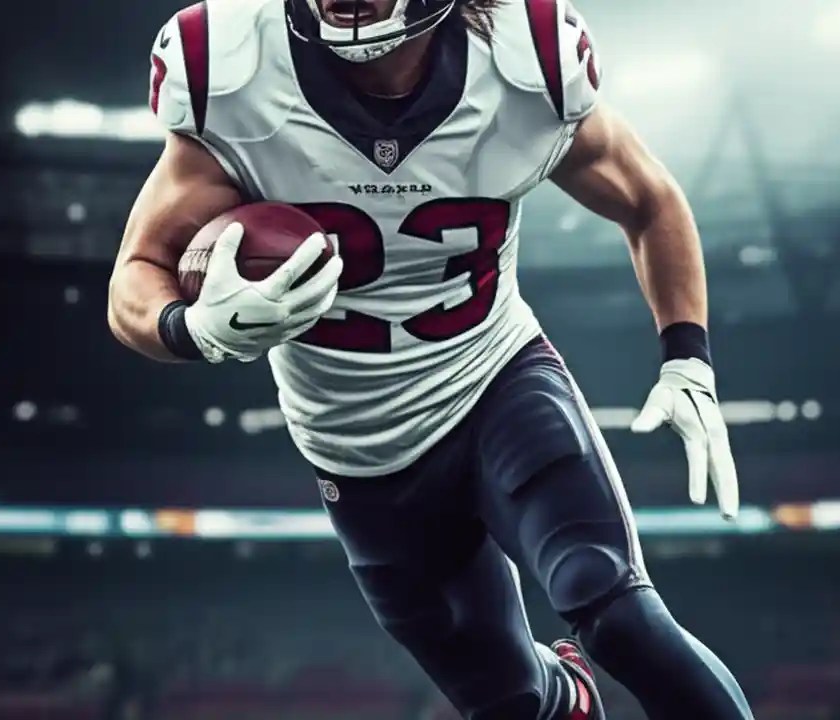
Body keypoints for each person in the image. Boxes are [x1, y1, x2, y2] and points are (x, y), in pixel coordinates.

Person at [108, 0, 753, 717]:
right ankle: (565, 696)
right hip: (357, 448)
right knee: (510, 702)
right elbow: (136, 270)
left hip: (495, 384)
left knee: (620, 617)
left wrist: (687, 358)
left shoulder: (524, 60)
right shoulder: (233, 67)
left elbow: (649, 200)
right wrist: (191, 327)